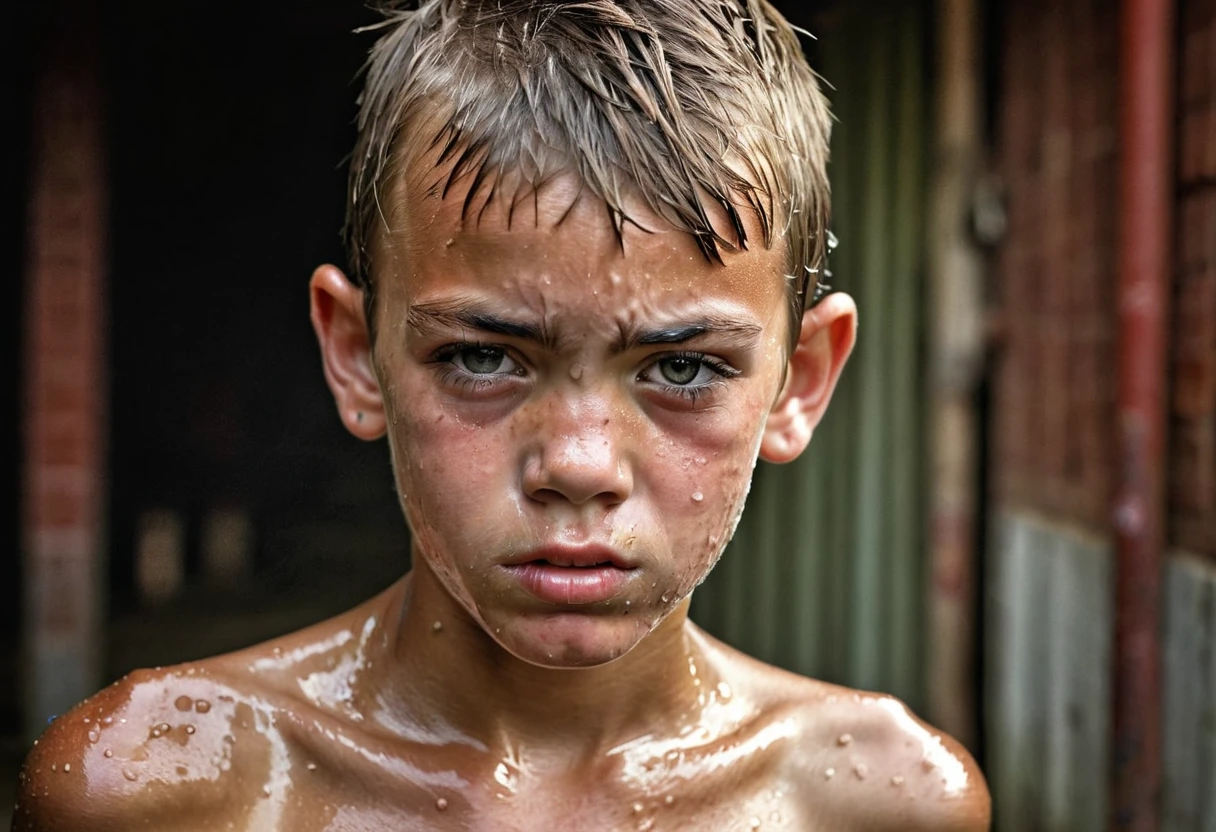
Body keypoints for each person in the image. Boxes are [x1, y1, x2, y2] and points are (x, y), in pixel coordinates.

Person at [14, 1, 990, 829]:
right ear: (357, 355)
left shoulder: (879, 802)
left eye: (683, 367)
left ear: (799, 380)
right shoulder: (165, 789)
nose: (576, 463)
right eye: (482, 356)